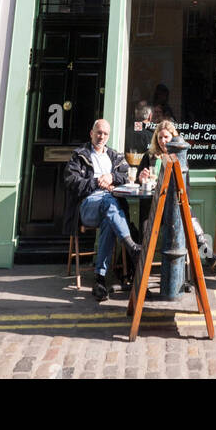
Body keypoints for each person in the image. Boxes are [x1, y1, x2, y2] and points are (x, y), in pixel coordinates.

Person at [63, 118, 141, 302]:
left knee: (109, 218)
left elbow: (126, 174)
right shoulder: (80, 155)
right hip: (88, 207)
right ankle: (131, 245)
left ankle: (99, 281)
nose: (101, 136)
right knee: (108, 200)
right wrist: (97, 182)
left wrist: (111, 176)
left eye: (105, 133)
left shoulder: (114, 156)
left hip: (107, 208)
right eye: (98, 132)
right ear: (91, 133)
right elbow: (70, 181)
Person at [137, 119, 216, 270]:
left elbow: (186, 187)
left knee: (187, 214)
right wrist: (141, 178)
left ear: (173, 138)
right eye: (160, 137)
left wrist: (182, 201)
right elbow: (139, 183)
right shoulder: (148, 157)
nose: (163, 141)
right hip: (153, 206)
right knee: (145, 236)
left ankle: (206, 253)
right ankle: (140, 276)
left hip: (173, 205)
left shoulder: (179, 157)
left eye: (166, 137)